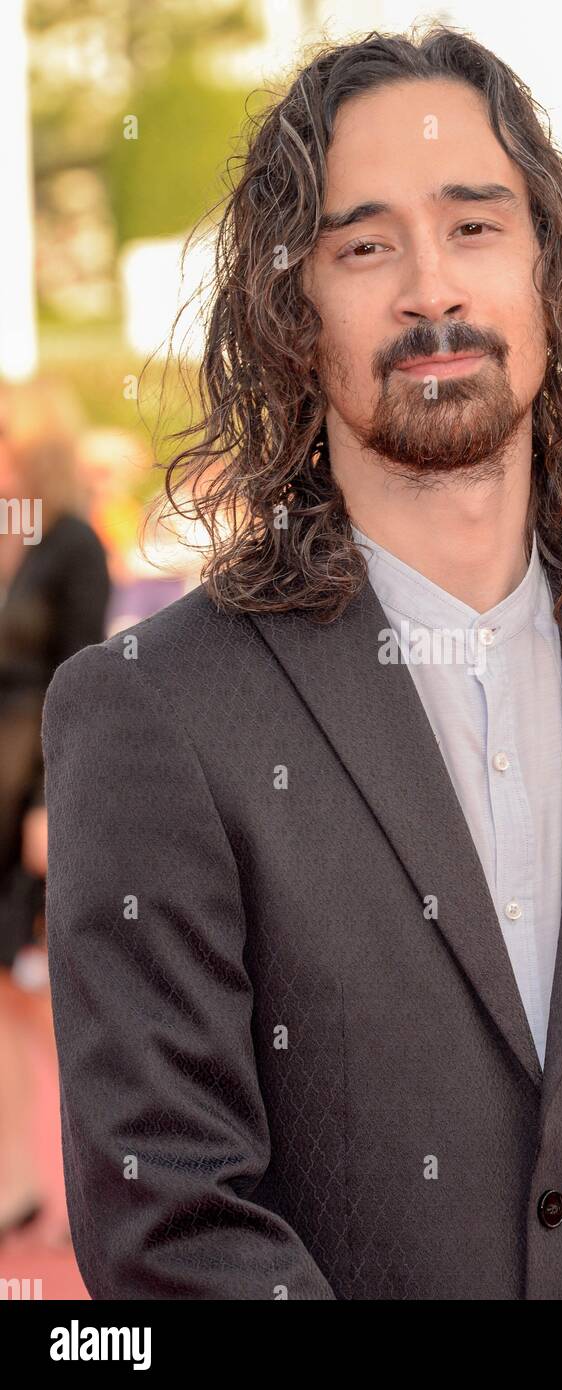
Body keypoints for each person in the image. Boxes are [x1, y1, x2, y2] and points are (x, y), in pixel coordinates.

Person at [43, 25, 562, 1300]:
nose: (432, 288)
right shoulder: (150, 712)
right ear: (290, 315)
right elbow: (171, 1217)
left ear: (548, 273)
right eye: (364, 245)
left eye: (475, 227)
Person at [0, 377, 110, 1239]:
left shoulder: (68, 542)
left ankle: (103, 1183)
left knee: (51, 996)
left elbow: (77, 677)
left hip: (30, 791)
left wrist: (50, 802)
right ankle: (16, 1186)